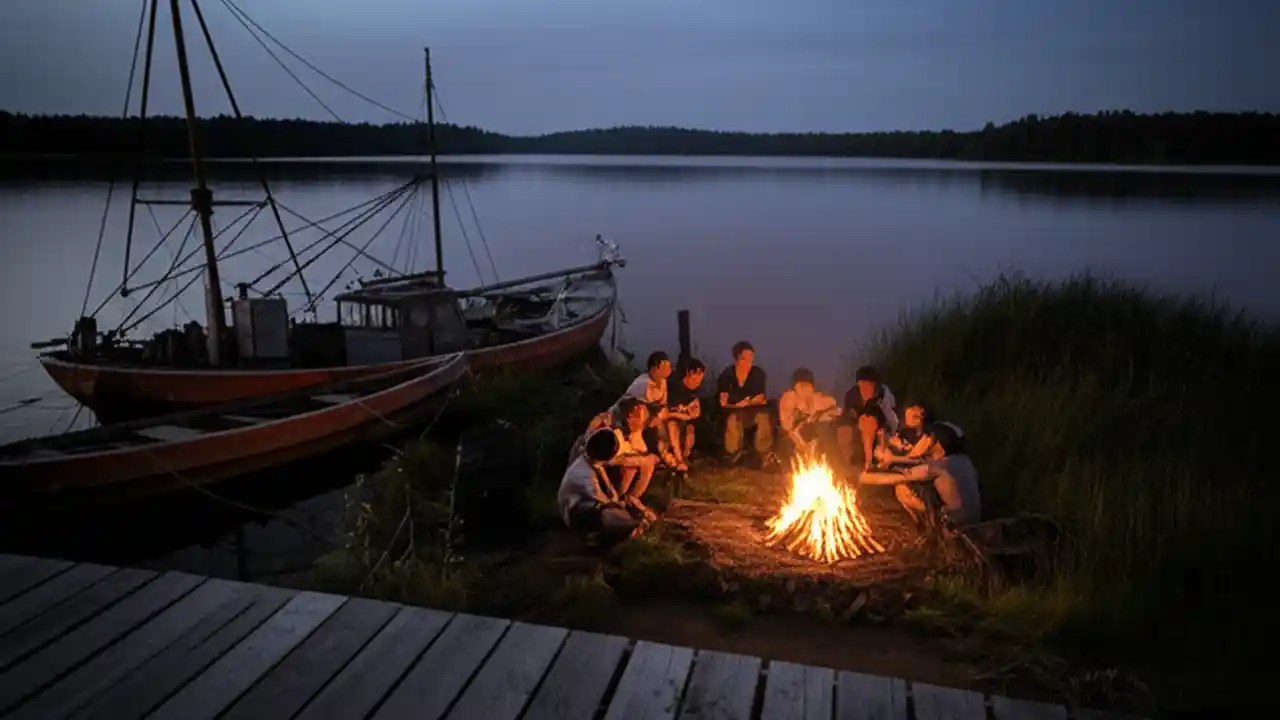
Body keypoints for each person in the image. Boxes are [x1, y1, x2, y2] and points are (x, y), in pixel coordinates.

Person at [859, 421, 981, 528]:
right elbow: (919, 462)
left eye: (930, 438)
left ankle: (929, 531)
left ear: (940, 444)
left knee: (902, 488)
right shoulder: (964, 461)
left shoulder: (939, 466)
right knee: (926, 488)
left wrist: (865, 478)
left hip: (954, 520)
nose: (927, 442)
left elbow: (903, 476)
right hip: (975, 517)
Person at [558, 429, 647, 545]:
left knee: (622, 512)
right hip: (578, 517)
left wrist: (612, 491)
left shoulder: (587, 459)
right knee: (620, 518)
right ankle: (595, 537)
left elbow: (602, 475)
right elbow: (606, 502)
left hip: (581, 508)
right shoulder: (585, 476)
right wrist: (625, 506)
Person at [584, 397, 661, 516]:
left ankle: (624, 500)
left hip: (619, 457)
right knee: (646, 462)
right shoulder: (613, 429)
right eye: (640, 417)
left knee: (634, 467)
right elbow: (596, 459)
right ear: (630, 416)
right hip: (606, 459)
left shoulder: (631, 431)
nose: (643, 423)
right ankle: (631, 498)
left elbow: (639, 449)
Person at [717, 341, 773, 464]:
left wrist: (746, 403)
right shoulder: (727, 375)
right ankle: (733, 454)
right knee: (732, 419)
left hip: (755, 409)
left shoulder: (757, 373)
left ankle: (765, 455)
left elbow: (761, 398)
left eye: (751, 357)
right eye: (745, 357)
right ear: (738, 358)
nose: (749, 361)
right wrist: (737, 405)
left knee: (763, 418)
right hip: (733, 411)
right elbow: (723, 401)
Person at [837, 365, 898, 470]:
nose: (866, 388)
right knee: (844, 428)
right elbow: (847, 416)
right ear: (858, 384)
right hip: (856, 428)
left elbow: (891, 421)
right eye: (863, 384)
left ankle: (869, 464)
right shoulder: (852, 395)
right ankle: (849, 464)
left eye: (870, 384)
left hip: (881, 429)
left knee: (868, 421)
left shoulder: (882, 396)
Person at [777, 368, 841, 462]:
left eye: (807, 386)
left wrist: (823, 414)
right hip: (790, 437)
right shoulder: (788, 399)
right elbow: (787, 427)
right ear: (795, 387)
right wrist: (802, 445)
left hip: (810, 437)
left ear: (812, 388)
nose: (805, 389)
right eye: (801, 386)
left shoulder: (816, 399)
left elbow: (835, 406)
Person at [665, 358, 706, 471]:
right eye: (696, 376)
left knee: (690, 432)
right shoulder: (673, 386)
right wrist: (685, 415)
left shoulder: (695, 390)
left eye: (700, 377)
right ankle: (678, 459)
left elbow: (697, 410)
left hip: (684, 420)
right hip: (668, 420)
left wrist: (693, 413)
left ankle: (684, 458)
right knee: (673, 425)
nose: (698, 381)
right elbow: (667, 412)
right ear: (688, 373)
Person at [875, 402, 934, 466]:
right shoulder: (905, 432)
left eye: (914, 409)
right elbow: (892, 448)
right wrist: (882, 439)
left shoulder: (926, 439)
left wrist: (893, 459)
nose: (909, 411)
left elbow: (916, 459)